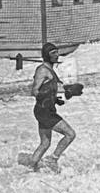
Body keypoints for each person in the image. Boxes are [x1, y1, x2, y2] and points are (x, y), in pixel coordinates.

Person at [25, 42, 76, 170]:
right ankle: (52, 160)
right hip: (44, 111)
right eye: (53, 53)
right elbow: (35, 91)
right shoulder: (42, 70)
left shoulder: (50, 70)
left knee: (45, 143)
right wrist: (47, 95)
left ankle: (31, 167)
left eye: (57, 52)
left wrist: (55, 99)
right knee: (70, 134)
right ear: (46, 55)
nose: (57, 55)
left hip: (45, 110)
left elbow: (47, 90)